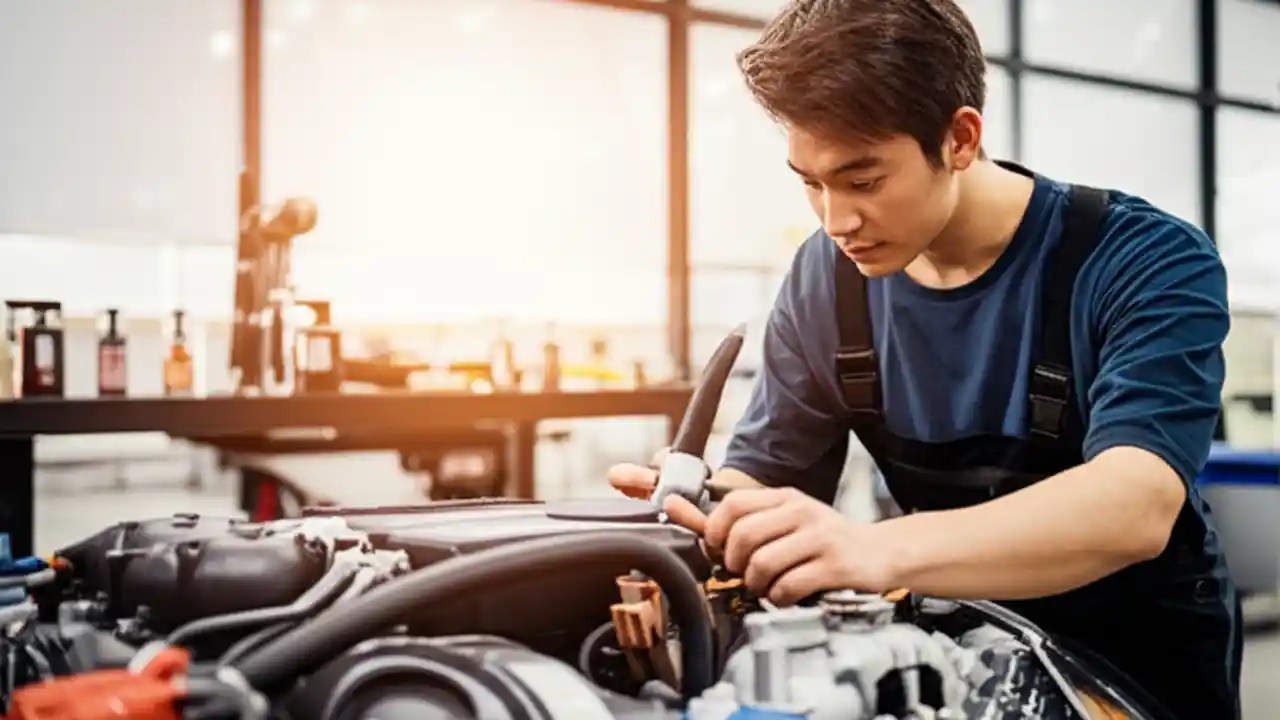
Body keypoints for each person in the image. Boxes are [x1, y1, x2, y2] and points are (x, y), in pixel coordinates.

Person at [607, 1, 1242, 717]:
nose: (836, 220)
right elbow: (764, 478)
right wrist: (702, 510)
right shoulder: (825, 280)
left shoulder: (1146, 260)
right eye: (810, 182)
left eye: (863, 180)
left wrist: (876, 549)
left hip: (1137, 663)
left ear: (961, 138)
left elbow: (1136, 506)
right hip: (954, 653)